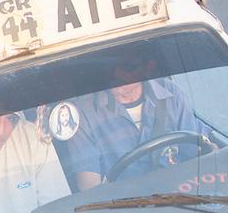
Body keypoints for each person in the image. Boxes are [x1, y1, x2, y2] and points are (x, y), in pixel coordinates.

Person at [66, 73, 208, 191]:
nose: (117, 71)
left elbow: (199, 160)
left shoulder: (171, 94)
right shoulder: (83, 114)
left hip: (182, 197)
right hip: (126, 212)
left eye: (126, 64)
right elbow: (90, 190)